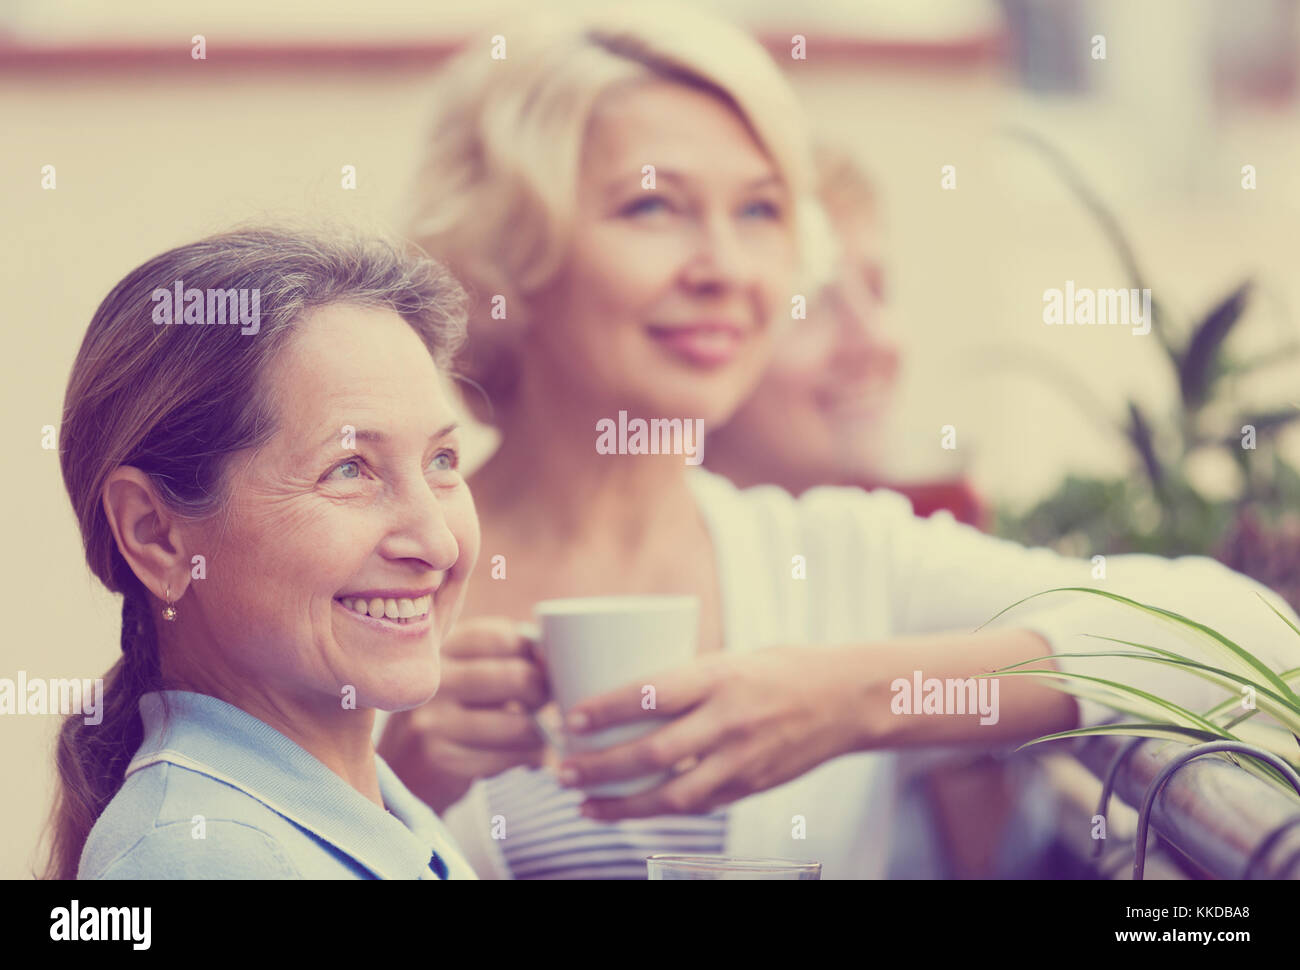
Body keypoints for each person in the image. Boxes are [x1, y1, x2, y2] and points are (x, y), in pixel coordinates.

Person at [380, 3, 1299, 879]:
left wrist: (853, 702)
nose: (726, 270)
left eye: (760, 212)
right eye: (652, 208)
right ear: (508, 250)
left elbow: (1249, 636)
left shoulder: (835, 561)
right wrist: (393, 789)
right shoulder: (381, 568)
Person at [46, 226, 481, 879]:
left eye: (441, 460)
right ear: (155, 534)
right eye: (349, 469)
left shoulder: (387, 810)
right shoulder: (203, 856)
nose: (437, 542)